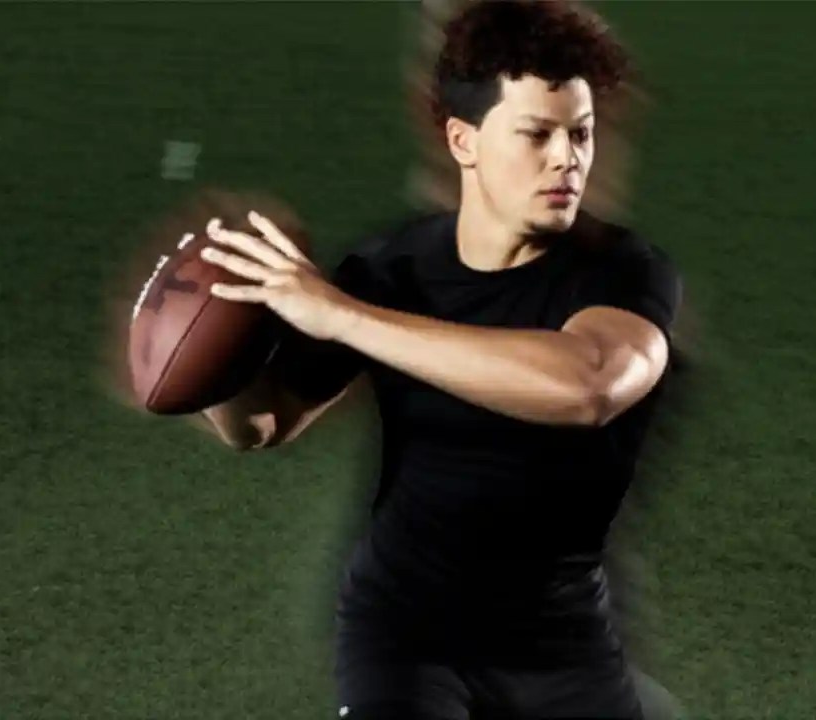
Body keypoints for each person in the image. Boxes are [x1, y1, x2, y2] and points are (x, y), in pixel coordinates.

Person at [196, 1, 689, 717]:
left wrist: (344, 317)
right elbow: (263, 424)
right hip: (407, 635)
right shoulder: (391, 267)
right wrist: (212, 359)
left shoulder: (624, 272)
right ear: (464, 140)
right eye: (537, 134)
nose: (568, 158)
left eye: (580, 133)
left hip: (563, 645)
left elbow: (590, 385)